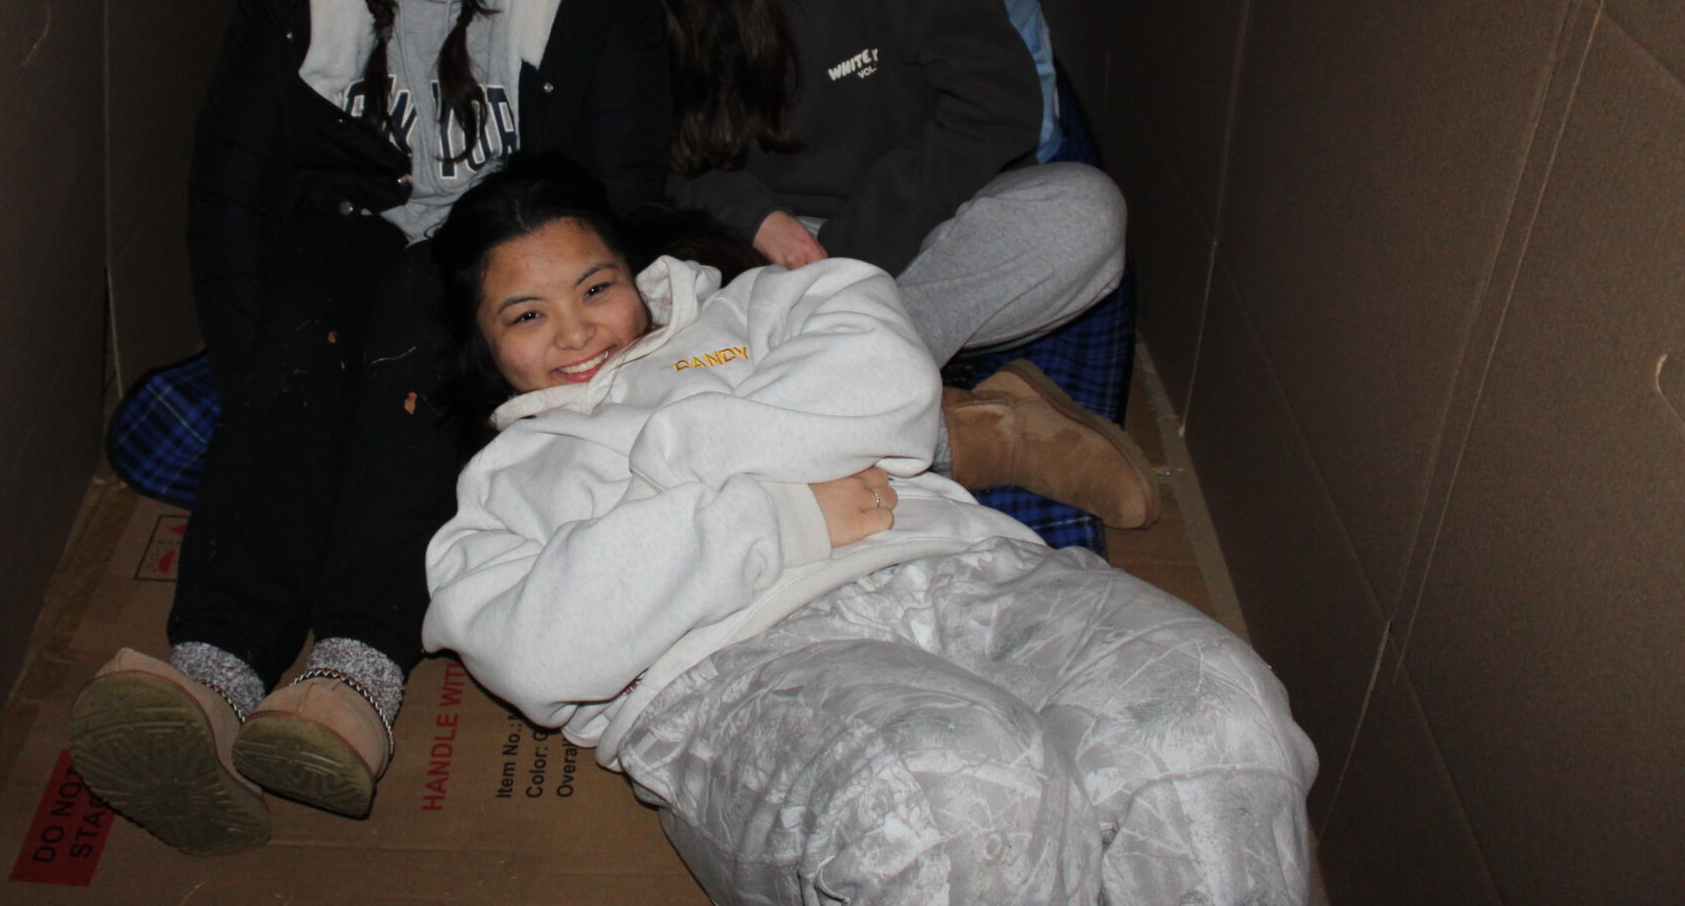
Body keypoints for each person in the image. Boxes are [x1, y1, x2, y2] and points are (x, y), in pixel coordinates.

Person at [68, 0, 671, 854]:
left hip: (509, 267)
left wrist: (532, 333)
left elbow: (620, 198)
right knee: (307, 306)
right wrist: (269, 385)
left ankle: (355, 669)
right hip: (343, 255)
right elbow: (231, 188)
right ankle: (211, 670)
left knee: (413, 315)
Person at [423, 156, 1317, 905]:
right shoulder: (504, 483)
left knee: (1209, 708)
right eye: (527, 314)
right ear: (482, 344)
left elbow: (886, 373)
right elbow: (537, 644)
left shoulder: (756, 307)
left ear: (634, 273)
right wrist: (781, 511)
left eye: (595, 286)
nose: (579, 330)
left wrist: (679, 452)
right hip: (738, 668)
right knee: (953, 798)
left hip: (964, 569)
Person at [574, 0, 1158, 527]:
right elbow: (654, 169)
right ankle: (975, 432)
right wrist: (753, 216)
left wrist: (862, 247)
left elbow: (1001, 99)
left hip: (924, 232)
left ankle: (791, 416)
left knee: (1085, 215)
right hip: (772, 269)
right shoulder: (635, 1)